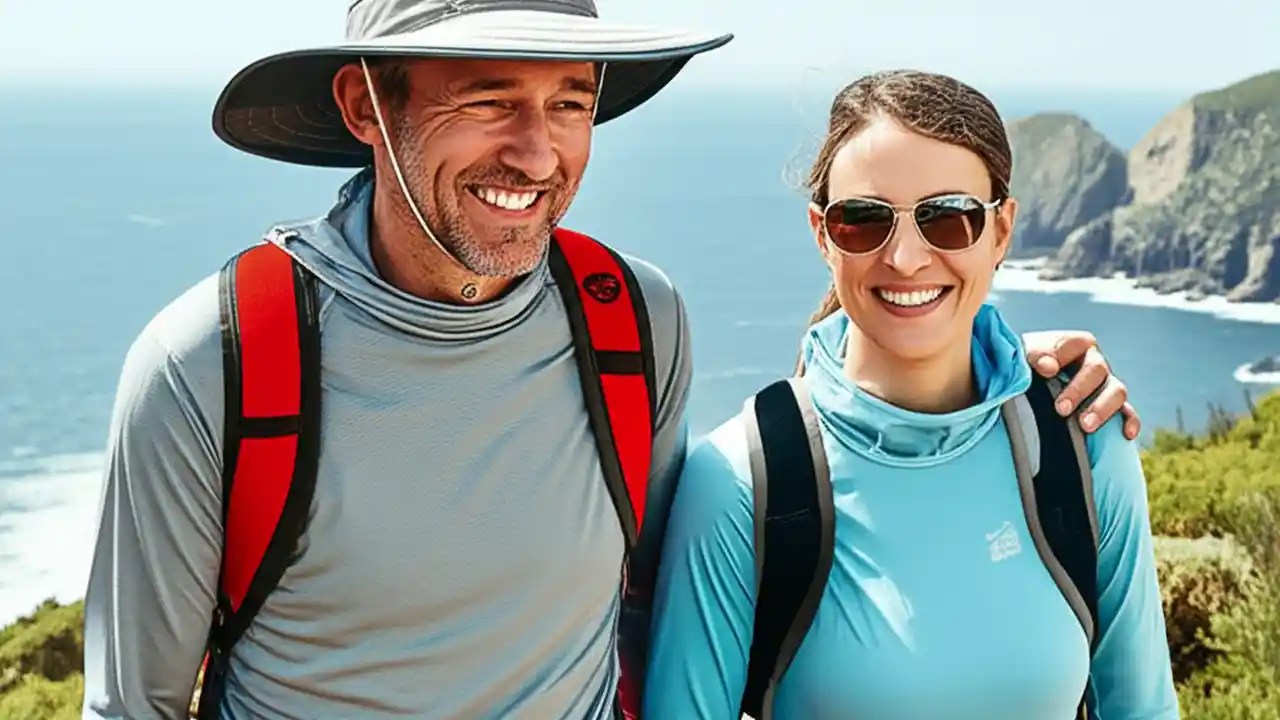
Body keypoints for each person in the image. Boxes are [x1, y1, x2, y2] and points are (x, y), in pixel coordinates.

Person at [80, 0, 1143, 716]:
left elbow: (678, 588)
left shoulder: (630, 320)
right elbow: (132, 705)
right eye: (488, 97)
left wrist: (993, 367)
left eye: (570, 103)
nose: (536, 153)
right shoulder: (214, 362)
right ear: (367, 104)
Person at [642, 70, 1178, 720]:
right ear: (822, 233)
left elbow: (1143, 706)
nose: (904, 258)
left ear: (1001, 231)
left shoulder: (1078, 440)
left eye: (947, 218)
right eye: (863, 221)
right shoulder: (740, 481)